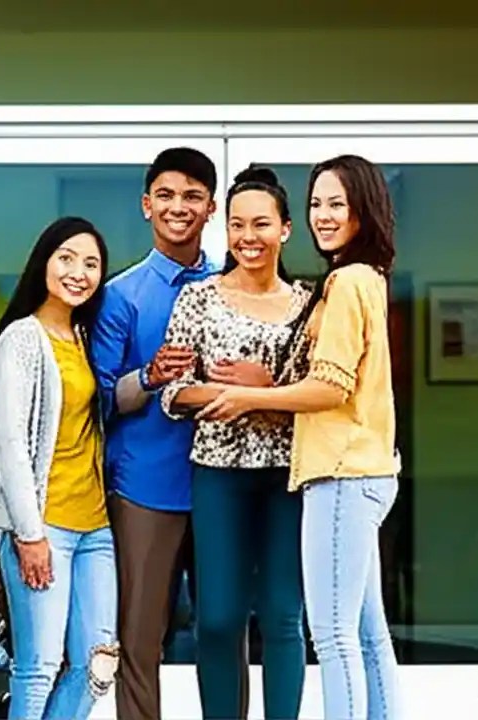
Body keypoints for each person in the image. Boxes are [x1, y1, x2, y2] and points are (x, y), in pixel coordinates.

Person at [197, 154, 402, 720]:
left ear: (365, 207)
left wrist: (252, 397)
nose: (325, 215)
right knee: (368, 635)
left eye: (338, 203)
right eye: (318, 203)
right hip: (370, 470)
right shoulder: (370, 279)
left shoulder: (344, 282)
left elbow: (332, 385)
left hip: (339, 473)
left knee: (333, 637)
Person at [159, 165, 312, 720]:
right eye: (238, 224)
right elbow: (173, 392)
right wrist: (225, 391)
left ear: (286, 230)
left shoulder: (308, 306)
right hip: (218, 471)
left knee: (282, 615)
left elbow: (321, 391)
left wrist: (265, 391)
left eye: (262, 224)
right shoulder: (199, 298)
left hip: (288, 476)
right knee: (218, 616)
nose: (249, 237)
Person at [89, 147, 217, 720]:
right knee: (140, 639)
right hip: (143, 487)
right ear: (146, 205)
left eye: (192, 196)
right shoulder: (120, 295)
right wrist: (150, 376)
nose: (178, 207)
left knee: (222, 632)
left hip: (223, 486)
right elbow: (102, 399)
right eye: (165, 195)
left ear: (211, 207)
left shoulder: (231, 287)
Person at [0, 216, 118, 720]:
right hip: (44, 524)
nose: (79, 272)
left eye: (92, 263)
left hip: (96, 526)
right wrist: (28, 533)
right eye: (67, 258)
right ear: (44, 262)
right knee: (38, 666)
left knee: (97, 666)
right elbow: (10, 443)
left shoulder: (85, 338)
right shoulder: (23, 338)